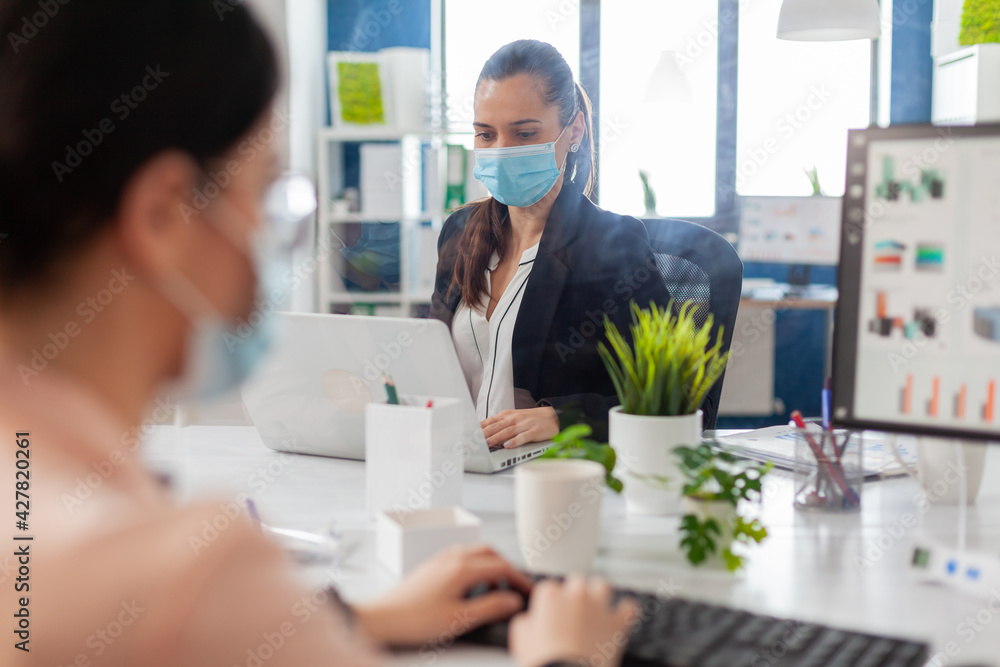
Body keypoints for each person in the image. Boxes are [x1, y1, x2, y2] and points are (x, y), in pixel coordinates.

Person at [0, 2, 635, 666]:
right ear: (161, 218)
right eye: (270, 187)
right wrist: (568, 655)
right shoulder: (198, 576)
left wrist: (358, 616)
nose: (281, 228)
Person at [431, 40, 695, 450]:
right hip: (458, 464)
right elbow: (431, 363)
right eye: (486, 134)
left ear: (573, 130)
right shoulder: (459, 231)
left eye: (524, 133)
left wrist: (563, 418)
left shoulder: (611, 243)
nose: (501, 151)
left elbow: (674, 395)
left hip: (554, 473)